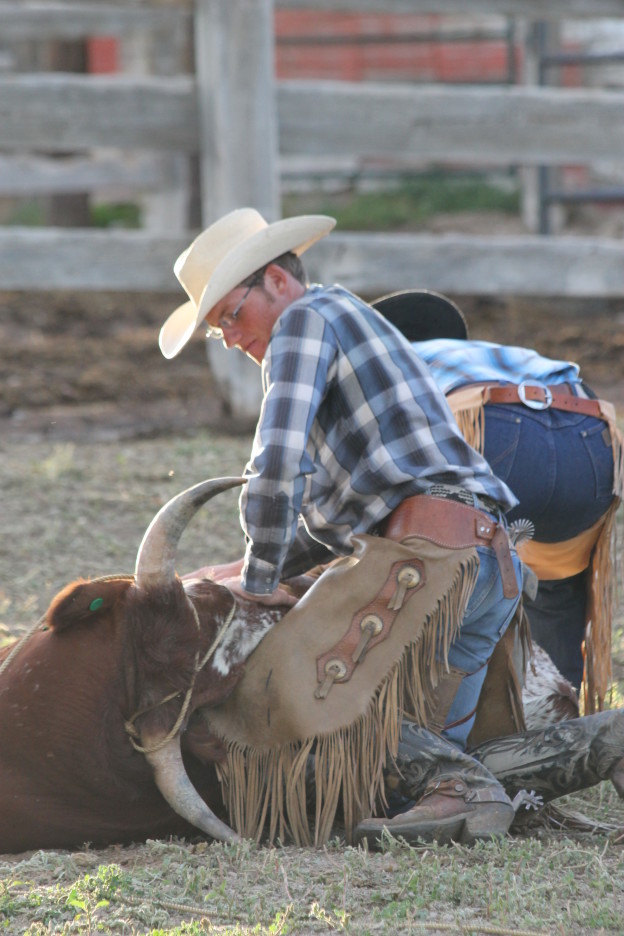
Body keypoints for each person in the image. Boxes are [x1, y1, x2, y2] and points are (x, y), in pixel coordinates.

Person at [158, 207, 529, 847]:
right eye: (218, 332)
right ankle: (602, 740)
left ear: (275, 280)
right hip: (486, 558)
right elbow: (332, 514)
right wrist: (254, 567)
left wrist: (254, 582)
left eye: (230, 317)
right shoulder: (347, 320)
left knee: (280, 682)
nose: (234, 339)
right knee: (419, 763)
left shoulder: (300, 322)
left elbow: (275, 468)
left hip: (429, 561)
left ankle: (461, 790)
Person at [373, 289, 623, 709]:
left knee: (439, 571)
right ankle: (560, 728)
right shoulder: (494, 351)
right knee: (558, 588)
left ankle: (440, 716)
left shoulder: (389, 363)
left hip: (488, 426)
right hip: (592, 435)